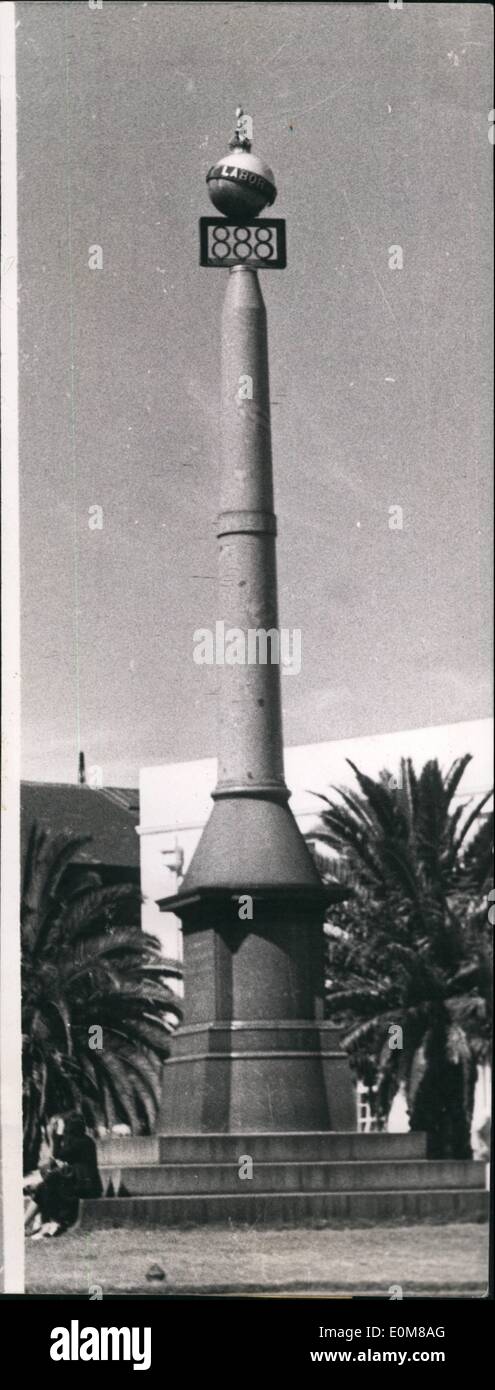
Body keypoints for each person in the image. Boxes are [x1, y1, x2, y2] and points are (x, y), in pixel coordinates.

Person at [25, 1111, 102, 1239]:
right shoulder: (85, 1140)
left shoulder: (79, 1142)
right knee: (44, 1187)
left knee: (47, 1186)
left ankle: (47, 1224)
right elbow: (55, 1162)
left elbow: (55, 1156)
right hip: (82, 1183)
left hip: (84, 1186)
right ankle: (33, 1224)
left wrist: (55, 1136)